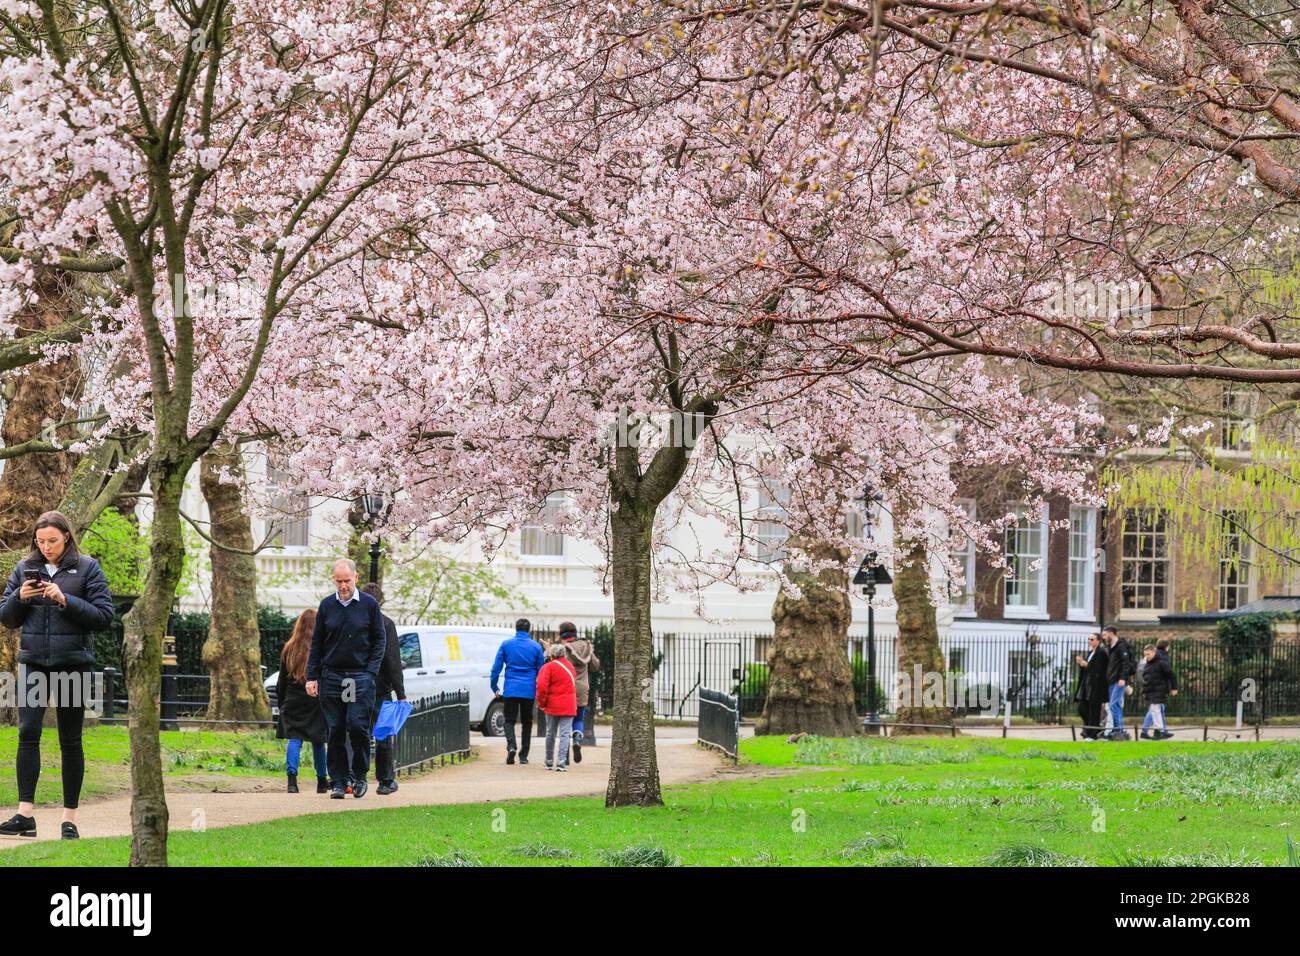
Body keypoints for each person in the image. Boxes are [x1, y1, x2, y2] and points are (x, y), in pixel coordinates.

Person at [0, 511, 114, 840]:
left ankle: (70, 819)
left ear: (66, 536)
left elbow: (104, 617)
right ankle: (25, 816)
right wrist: (20, 598)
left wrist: (66, 599)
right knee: (28, 732)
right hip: (34, 662)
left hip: (73, 663)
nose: (46, 547)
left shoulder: (88, 567)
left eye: (52, 540)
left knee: (70, 740)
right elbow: (6, 617)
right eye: (40, 541)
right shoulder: (23, 568)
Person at [306, 559, 386, 799]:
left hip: (359, 676)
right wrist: (312, 676)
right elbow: (317, 643)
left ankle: (360, 776)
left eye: (347, 581)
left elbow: (379, 640)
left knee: (357, 726)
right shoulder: (327, 606)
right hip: (332, 676)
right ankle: (339, 781)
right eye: (339, 581)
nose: (343, 586)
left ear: (356, 578)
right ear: (334, 580)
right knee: (336, 729)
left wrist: (370, 672)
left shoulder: (369, 605)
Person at [276, 609, 330, 794]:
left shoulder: (289, 648)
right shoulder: (321, 649)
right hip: (315, 699)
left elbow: (282, 680)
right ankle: (322, 780)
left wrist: (282, 702)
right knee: (318, 741)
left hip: (293, 699)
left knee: (295, 739)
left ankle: (292, 781)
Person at [363, 582, 406, 795]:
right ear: (380, 601)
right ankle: (385, 780)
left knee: (355, 733)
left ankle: (355, 778)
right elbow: (393, 661)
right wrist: (401, 693)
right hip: (380, 689)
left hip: (356, 687)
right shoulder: (386, 624)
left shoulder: (353, 622)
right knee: (383, 735)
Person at [490, 618, 545, 765]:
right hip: (528, 689)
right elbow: (541, 671)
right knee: (527, 722)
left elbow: (496, 668)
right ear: (529, 630)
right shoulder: (536, 647)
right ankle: (523, 755)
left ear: (516, 628)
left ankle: (512, 746)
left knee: (509, 721)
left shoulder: (506, 644)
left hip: (511, 688)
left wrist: (494, 686)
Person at [559, 622, 600, 763]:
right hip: (582, 687)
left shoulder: (562, 649)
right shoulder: (586, 646)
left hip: (566, 687)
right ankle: (577, 739)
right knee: (578, 719)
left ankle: (564, 758)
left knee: (564, 722)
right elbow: (595, 666)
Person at [536, 642, 578, 771]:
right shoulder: (570, 667)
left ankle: (549, 761)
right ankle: (561, 761)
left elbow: (541, 686)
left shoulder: (548, 667)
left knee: (550, 733)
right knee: (565, 734)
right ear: (564, 654)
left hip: (553, 704)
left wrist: (542, 703)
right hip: (569, 704)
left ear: (551, 655)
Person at [1102, 625, 1136, 741]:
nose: (1103, 637)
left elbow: (1126, 663)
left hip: (1118, 680)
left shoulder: (1121, 646)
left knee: (1113, 705)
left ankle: (1120, 730)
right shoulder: (1111, 647)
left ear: (1111, 633)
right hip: (1112, 680)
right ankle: (1118, 731)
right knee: (1114, 706)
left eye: (1105, 635)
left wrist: (1123, 678)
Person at [1073, 632, 1109, 740]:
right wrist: (1081, 664)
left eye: (1092, 639)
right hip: (1086, 685)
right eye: (1088, 639)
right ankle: (1089, 729)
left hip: (1096, 687)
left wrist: (1086, 664)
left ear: (1098, 641)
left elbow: (1099, 669)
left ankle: (1092, 733)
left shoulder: (1101, 652)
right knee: (1082, 708)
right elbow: (1088, 668)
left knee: (1094, 710)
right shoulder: (1091, 652)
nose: (1089, 641)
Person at [1139, 644, 1178, 740]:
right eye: (1145, 655)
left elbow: (1171, 675)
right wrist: (1144, 691)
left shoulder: (1161, 663)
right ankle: (1159, 731)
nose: (1146, 657)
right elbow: (1146, 679)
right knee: (1155, 711)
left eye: (1148, 654)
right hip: (1151, 691)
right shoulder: (1147, 664)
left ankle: (1160, 731)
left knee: (1156, 710)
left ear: (1154, 652)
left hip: (1159, 691)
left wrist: (1174, 688)